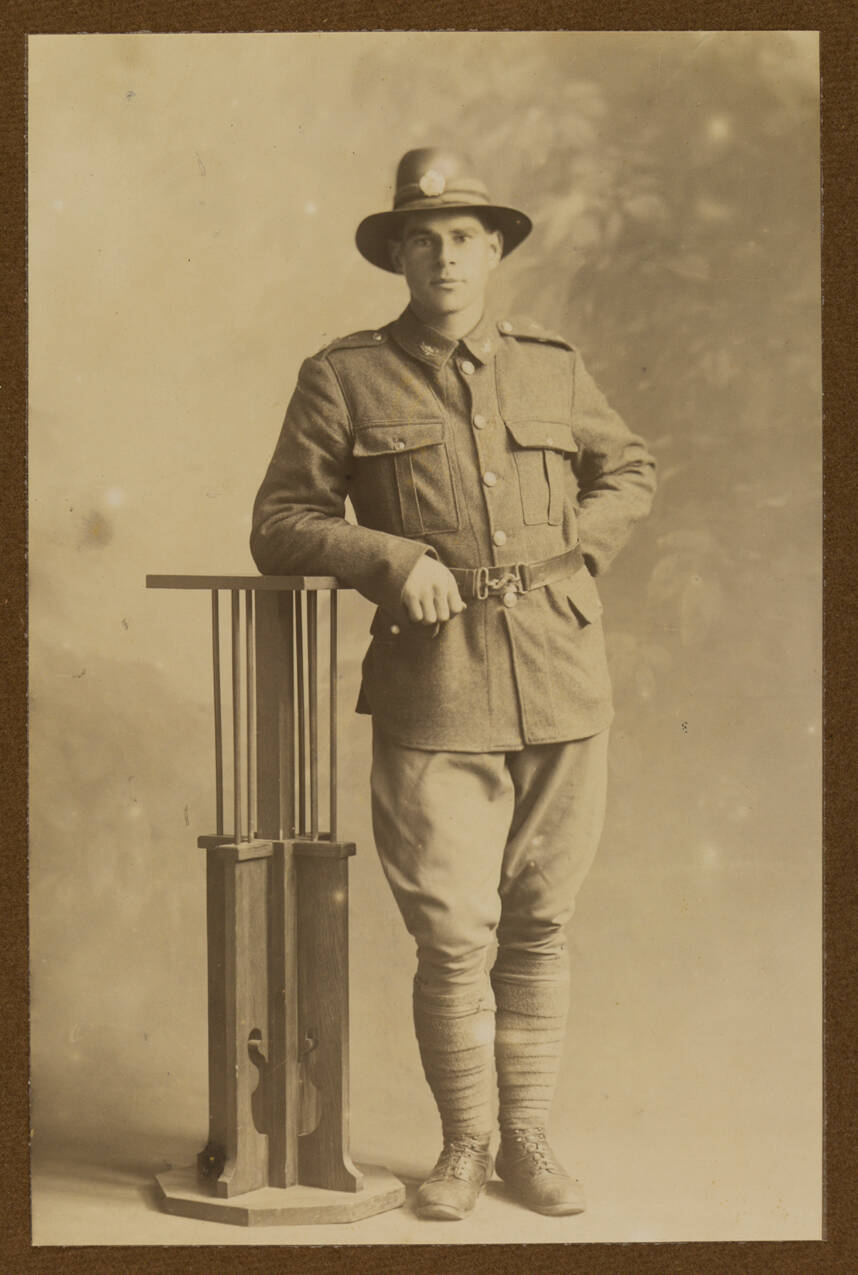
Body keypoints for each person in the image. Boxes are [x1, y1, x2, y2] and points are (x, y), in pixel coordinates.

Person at [251, 147, 656, 1221]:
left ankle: (528, 1139)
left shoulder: (554, 366)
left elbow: (631, 471)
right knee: (454, 935)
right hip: (436, 691)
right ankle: (466, 1144)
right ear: (398, 257)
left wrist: (577, 555)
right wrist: (392, 560)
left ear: (494, 251)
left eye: (463, 237)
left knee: (540, 926)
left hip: (564, 679)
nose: (443, 256)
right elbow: (281, 524)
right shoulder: (344, 376)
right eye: (420, 240)